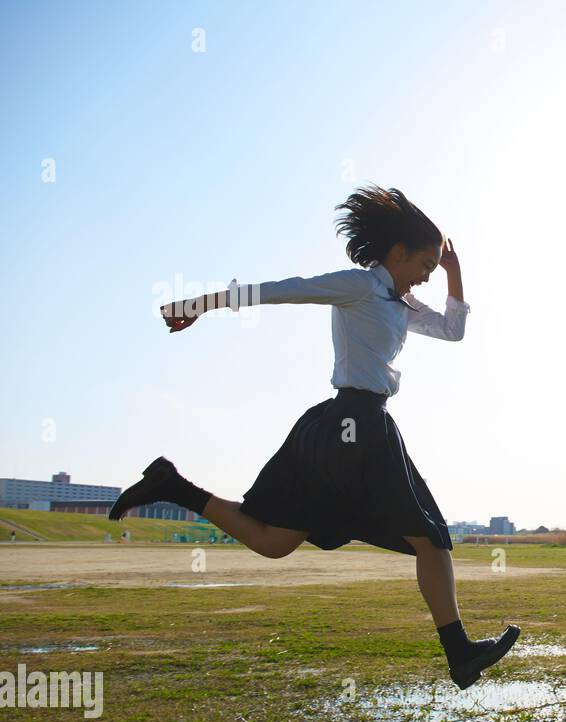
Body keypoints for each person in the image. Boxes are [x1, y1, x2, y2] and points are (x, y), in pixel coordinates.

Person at [109, 185, 520, 689]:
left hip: (352, 426)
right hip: (356, 425)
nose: (429, 274)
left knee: (274, 541)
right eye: (427, 263)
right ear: (398, 252)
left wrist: (456, 275)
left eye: (436, 267)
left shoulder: (401, 302)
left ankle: (172, 486)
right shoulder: (359, 286)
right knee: (431, 539)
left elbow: (453, 332)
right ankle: (459, 653)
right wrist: (200, 303)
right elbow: (281, 289)